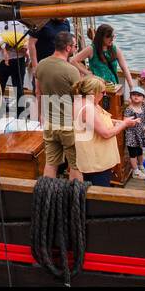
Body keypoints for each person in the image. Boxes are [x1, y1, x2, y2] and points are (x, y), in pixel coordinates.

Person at [33, 30, 83, 181]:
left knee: (51, 163)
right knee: (75, 165)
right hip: (68, 125)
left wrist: (40, 115)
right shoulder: (71, 70)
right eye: (74, 46)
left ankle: (47, 195)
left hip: (49, 123)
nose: (75, 49)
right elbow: (78, 100)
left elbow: (38, 92)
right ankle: (76, 199)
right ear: (68, 48)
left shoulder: (41, 65)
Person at [73, 76, 136, 187]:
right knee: (98, 192)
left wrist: (120, 122)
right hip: (96, 162)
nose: (105, 94)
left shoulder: (84, 102)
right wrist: (124, 124)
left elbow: (98, 121)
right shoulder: (88, 108)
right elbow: (106, 133)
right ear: (93, 92)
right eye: (103, 92)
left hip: (95, 158)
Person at [71, 24, 134, 91]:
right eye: (108, 37)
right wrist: (87, 73)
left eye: (112, 36)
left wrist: (131, 87)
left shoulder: (115, 50)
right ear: (101, 37)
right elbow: (73, 60)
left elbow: (124, 68)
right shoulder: (91, 49)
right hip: (96, 87)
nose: (112, 39)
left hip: (113, 86)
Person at [0, 17, 30, 115]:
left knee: (19, 88)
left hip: (18, 59)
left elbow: (27, 39)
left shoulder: (22, 18)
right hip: (0, 59)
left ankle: (20, 114)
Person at [123, 87, 145, 179]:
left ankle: (141, 166)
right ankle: (135, 170)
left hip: (140, 134)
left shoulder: (143, 109)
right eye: (134, 94)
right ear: (130, 97)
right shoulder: (129, 109)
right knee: (133, 153)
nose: (136, 96)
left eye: (139, 95)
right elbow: (125, 122)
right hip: (131, 135)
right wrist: (134, 122)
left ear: (143, 98)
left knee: (139, 151)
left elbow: (144, 121)